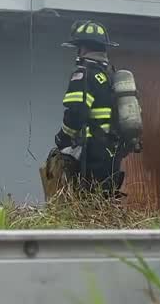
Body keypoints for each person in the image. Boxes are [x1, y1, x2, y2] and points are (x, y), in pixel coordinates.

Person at [53, 20, 132, 197]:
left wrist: (62, 138)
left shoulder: (84, 75)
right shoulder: (110, 76)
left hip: (93, 152)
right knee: (104, 200)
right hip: (112, 151)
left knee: (87, 201)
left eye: (78, 47)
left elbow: (76, 113)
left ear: (82, 48)